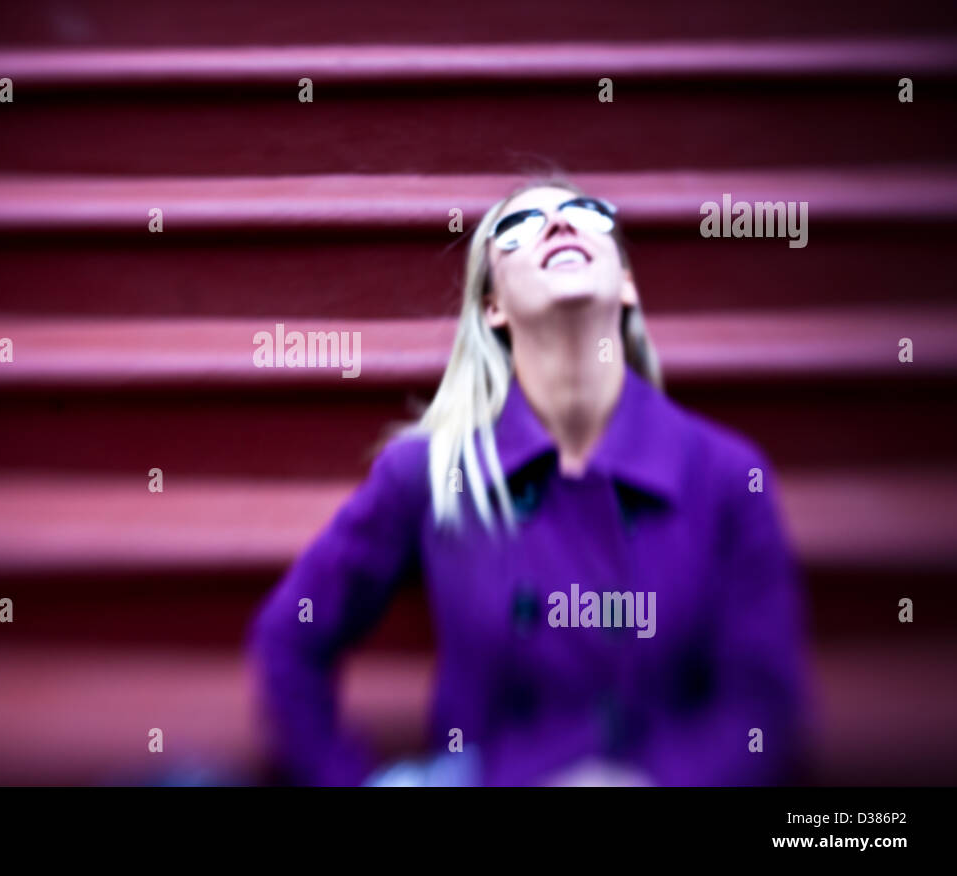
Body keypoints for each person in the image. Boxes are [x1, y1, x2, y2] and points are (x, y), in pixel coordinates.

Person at [246, 175, 812, 786]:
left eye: (588, 214)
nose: (561, 223)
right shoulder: (435, 472)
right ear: (492, 306)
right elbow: (290, 635)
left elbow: (765, 707)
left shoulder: (725, 474)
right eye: (519, 225)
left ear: (625, 283)